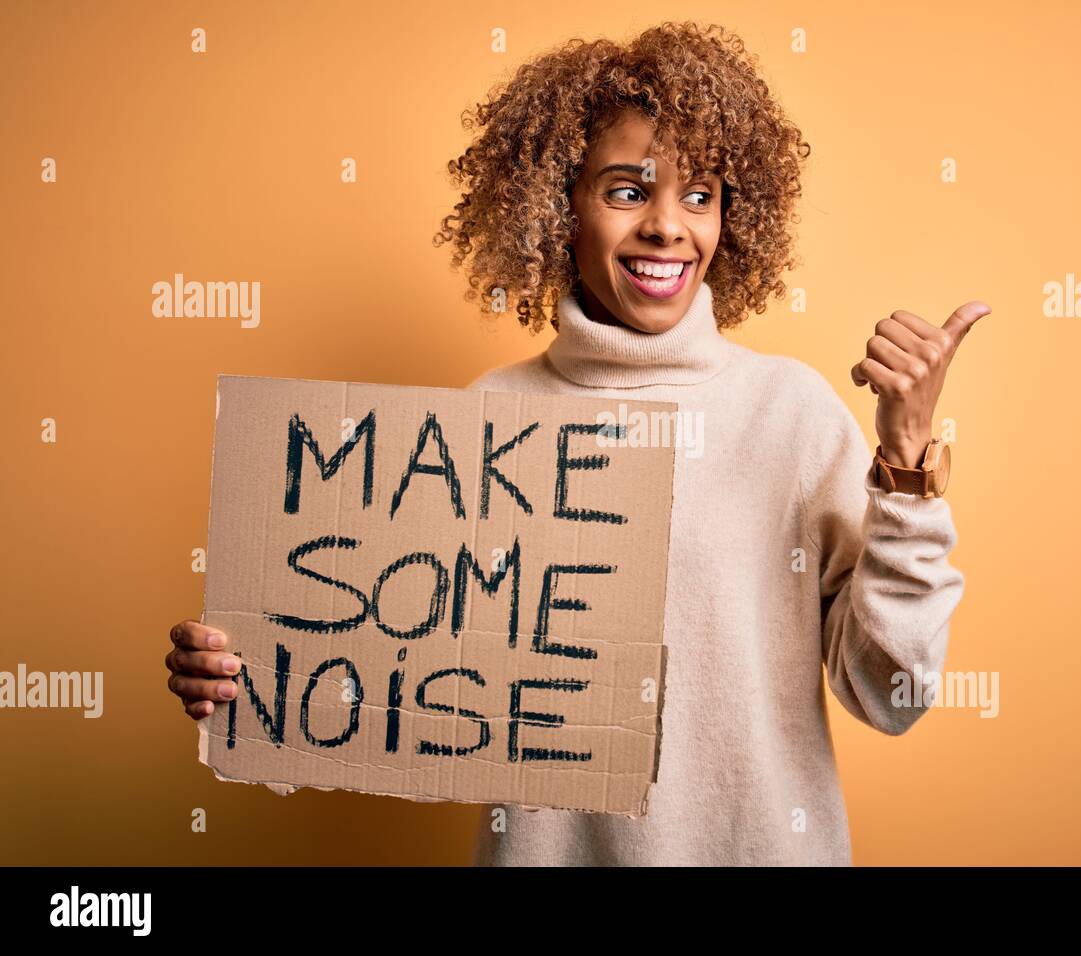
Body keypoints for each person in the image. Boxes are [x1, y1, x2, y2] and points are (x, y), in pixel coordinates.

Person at [165, 20, 990, 866]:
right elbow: (393, 667)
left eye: (699, 195)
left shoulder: (790, 414)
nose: (669, 226)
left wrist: (909, 463)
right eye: (628, 190)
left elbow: (893, 695)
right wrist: (255, 673)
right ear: (559, 206)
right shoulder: (485, 422)